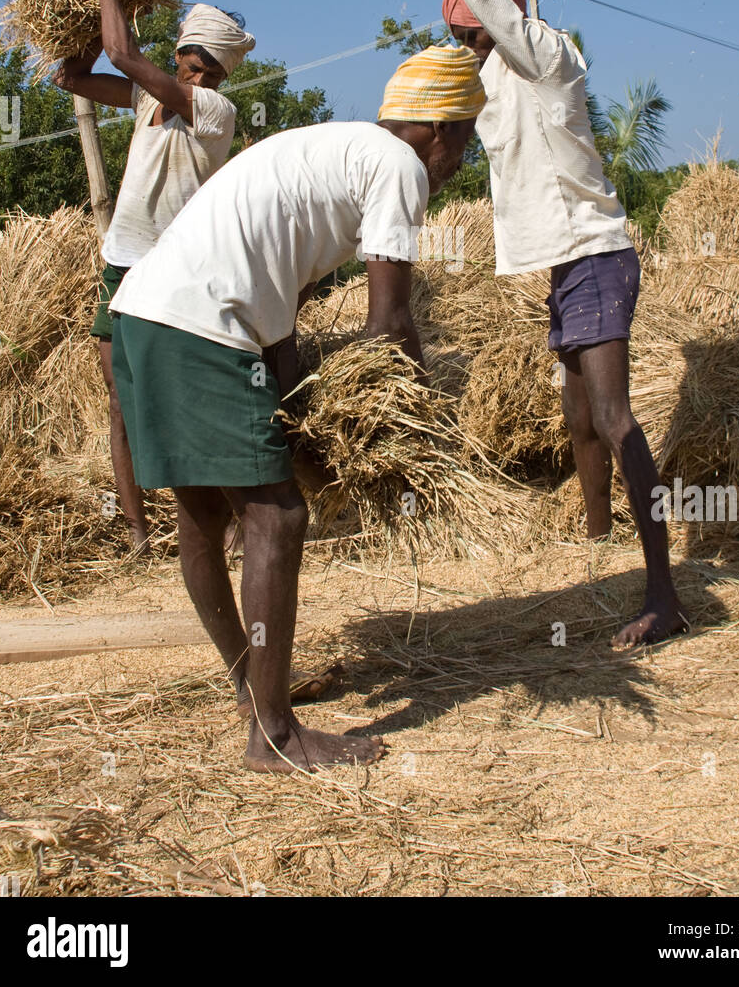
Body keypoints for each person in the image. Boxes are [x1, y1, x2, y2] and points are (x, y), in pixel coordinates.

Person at [107, 47, 484, 772]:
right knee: (276, 517)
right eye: (463, 140)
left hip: (143, 315)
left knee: (204, 516)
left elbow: (283, 317)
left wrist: (302, 419)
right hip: (202, 324)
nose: (459, 162)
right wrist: (412, 428)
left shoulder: (333, 153)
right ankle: (274, 734)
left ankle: (254, 694)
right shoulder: (399, 169)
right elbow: (389, 327)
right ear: (438, 129)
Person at [443, 0, 688, 650]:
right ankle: (595, 546)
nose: (464, 42)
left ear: (501, 18)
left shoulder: (545, 55)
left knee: (614, 419)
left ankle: (663, 594)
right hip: (563, 262)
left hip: (598, 251)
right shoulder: (490, 80)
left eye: (471, 29)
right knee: (579, 416)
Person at [54, 0, 251, 551]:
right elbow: (73, 75)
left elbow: (123, 55)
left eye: (209, 70)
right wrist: (87, 11)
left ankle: (237, 520)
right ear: (180, 55)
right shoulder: (145, 100)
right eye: (192, 65)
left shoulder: (215, 112)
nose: (198, 78)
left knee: (195, 396)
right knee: (121, 396)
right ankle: (138, 532)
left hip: (177, 269)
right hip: (122, 264)